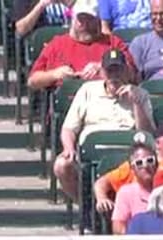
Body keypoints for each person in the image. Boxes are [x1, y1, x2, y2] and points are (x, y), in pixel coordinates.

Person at [54, 47, 154, 202]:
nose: (114, 76)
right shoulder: (87, 90)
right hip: (92, 154)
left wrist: (135, 103)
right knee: (61, 165)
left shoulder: (140, 95)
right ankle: (86, 207)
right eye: (109, 71)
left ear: (127, 71)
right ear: (101, 72)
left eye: (118, 71)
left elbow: (146, 135)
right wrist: (69, 148)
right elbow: (68, 128)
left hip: (126, 156)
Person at [94, 121, 163, 215]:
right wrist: (102, 198)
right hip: (138, 218)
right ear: (157, 143)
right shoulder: (139, 164)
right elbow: (102, 182)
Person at [26, 0, 131, 93]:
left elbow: (133, 74)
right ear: (73, 19)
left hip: (107, 104)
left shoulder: (113, 43)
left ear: (98, 20)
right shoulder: (57, 44)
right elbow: (32, 81)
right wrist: (55, 74)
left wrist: (103, 68)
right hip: (69, 105)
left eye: (89, 20)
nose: (83, 24)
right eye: (80, 19)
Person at [108, 142, 161, 233]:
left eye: (150, 160)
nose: (145, 166)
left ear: (156, 164)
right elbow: (118, 228)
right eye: (139, 163)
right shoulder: (126, 193)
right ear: (132, 168)